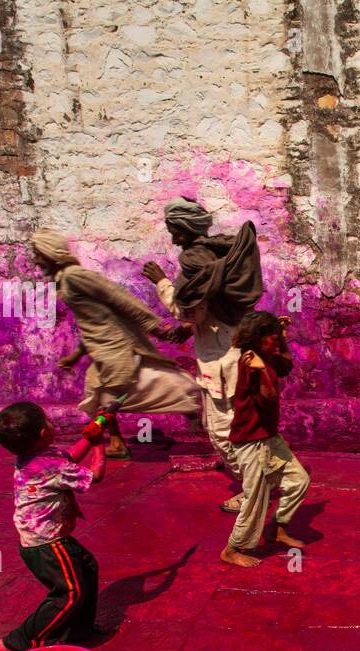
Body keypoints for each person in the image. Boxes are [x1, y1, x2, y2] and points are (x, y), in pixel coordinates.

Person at [30, 229, 199, 460]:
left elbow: (119, 298)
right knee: (100, 396)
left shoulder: (74, 276)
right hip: (102, 348)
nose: (36, 259)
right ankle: (118, 442)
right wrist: (77, 355)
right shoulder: (66, 279)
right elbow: (90, 322)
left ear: (50, 254)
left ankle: (189, 401)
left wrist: (157, 328)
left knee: (112, 396)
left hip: (114, 348)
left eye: (38, 254)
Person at [143, 198, 265, 511]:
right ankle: (266, 478)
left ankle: (254, 493)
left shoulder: (195, 260)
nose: (171, 238)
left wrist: (160, 281)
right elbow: (207, 308)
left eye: (173, 231)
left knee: (223, 431)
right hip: (241, 349)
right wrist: (192, 326)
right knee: (247, 423)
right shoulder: (221, 251)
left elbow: (185, 307)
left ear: (183, 231)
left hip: (221, 361)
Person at [0, 401, 107, 651]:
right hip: (45, 544)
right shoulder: (50, 467)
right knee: (69, 592)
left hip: (46, 538)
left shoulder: (35, 457)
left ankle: (77, 631)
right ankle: (14, 642)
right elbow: (94, 475)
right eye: (48, 421)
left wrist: (88, 436)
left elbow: (70, 457)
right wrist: (99, 444)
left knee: (87, 567)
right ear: (43, 433)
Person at [220, 311, 311, 569]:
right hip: (250, 441)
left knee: (299, 480)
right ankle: (233, 548)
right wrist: (260, 369)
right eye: (272, 339)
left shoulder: (267, 354)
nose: (276, 343)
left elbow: (286, 366)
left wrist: (282, 338)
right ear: (259, 339)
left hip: (269, 437)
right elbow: (269, 395)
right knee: (256, 499)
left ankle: (277, 529)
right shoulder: (250, 362)